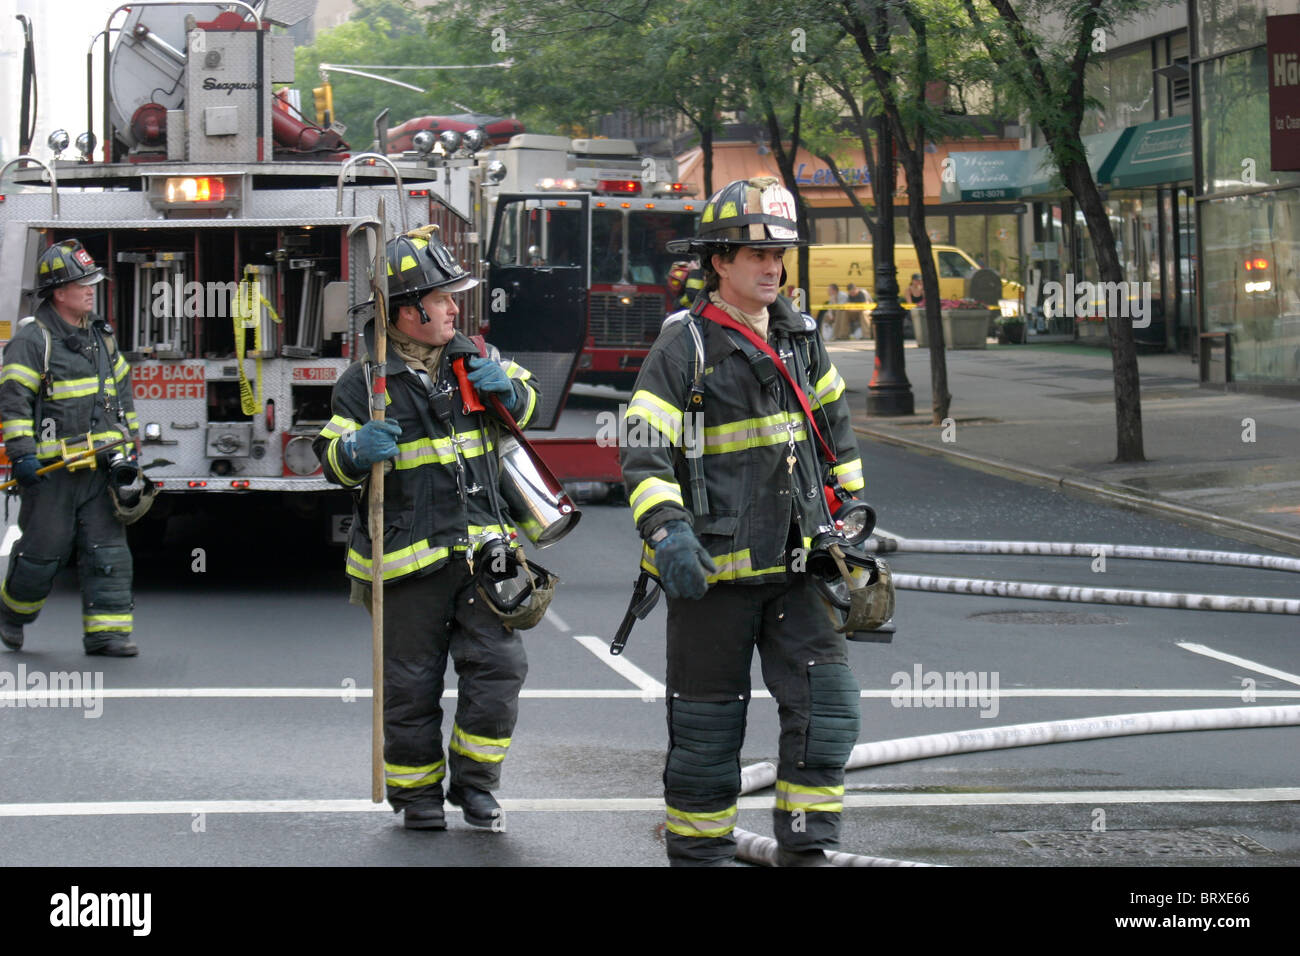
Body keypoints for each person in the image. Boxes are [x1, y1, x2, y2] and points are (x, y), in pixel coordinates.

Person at [621, 177, 866, 866]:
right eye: (753, 255)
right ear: (718, 263)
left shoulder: (802, 340)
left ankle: (807, 846)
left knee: (829, 714)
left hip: (801, 569)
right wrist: (667, 531)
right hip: (715, 577)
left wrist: (848, 522)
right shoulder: (684, 348)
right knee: (707, 728)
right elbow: (642, 455)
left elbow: (836, 441)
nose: (771, 268)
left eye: (779, 255)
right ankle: (699, 853)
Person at [314, 230, 541, 832]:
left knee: (499, 670)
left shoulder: (476, 359)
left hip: (484, 554)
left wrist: (511, 392)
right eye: (443, 298)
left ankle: (477, 786)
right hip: (406, 562)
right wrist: (357, 450)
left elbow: (528, 402)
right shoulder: (365, 383)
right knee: (410, 686)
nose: (455, 308)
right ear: (409, 311)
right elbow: (331, 456)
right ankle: (415, 796)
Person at [0, 240, 142, 657]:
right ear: (59, 293)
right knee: (43, 554)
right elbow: (14, 402)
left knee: (109, 552)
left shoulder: (101, 336)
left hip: (100, 469)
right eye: (82, 284)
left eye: (92, 282)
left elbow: (121, 393)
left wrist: (129, 447)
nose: (91, 290)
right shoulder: (32, 341)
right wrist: (22, 454)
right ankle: (13, 614)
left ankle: (106, 635)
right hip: (52, 472)